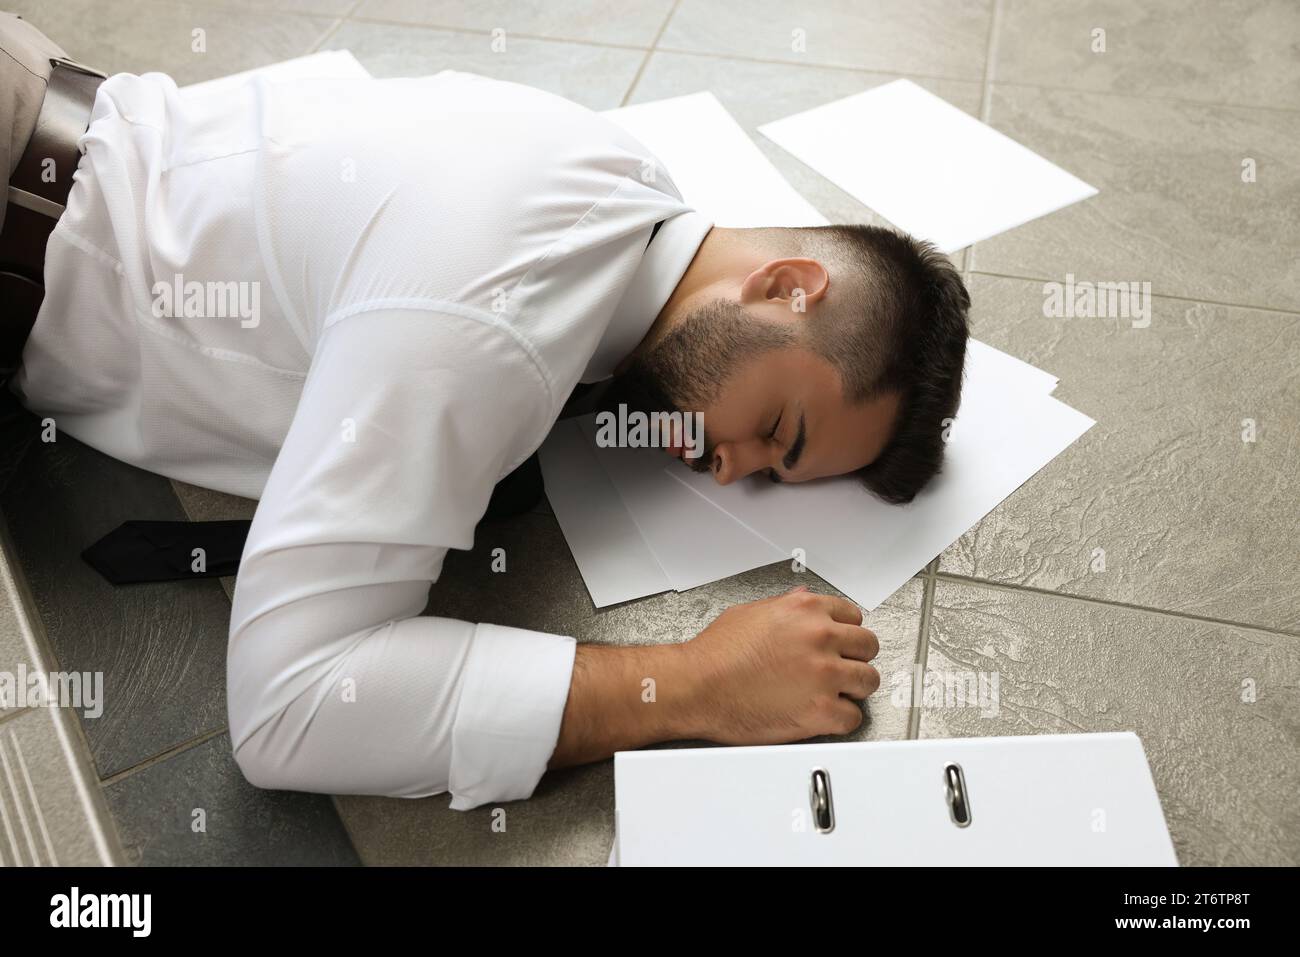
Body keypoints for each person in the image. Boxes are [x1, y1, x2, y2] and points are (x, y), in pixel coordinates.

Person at [0, 12, 969, 808]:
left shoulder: (612, 171)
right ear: (789, 286)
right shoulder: (493, 310)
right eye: (777, 430)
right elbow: (289, 708)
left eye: (769, 472)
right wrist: (694, 683)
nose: (730, 467)